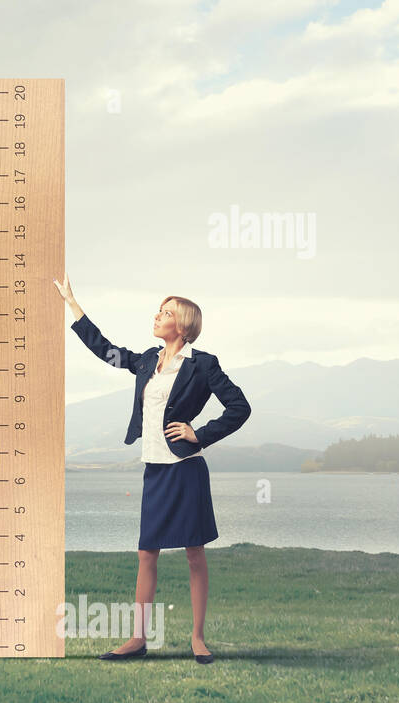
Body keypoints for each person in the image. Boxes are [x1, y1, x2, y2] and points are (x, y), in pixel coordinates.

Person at [53, 271, 251, 664]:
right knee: (147, 553)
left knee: (195, 552)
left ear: (183, 324)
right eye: (159, 311)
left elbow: (240, 407)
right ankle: (137, 639)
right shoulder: (146, 360)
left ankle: (197, 638)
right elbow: (106, 350)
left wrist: (200, 434)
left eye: (165, 312)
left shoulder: (203, 364)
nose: (157, 316)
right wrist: (73, 306)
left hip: (186, 468)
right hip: (155, 470)